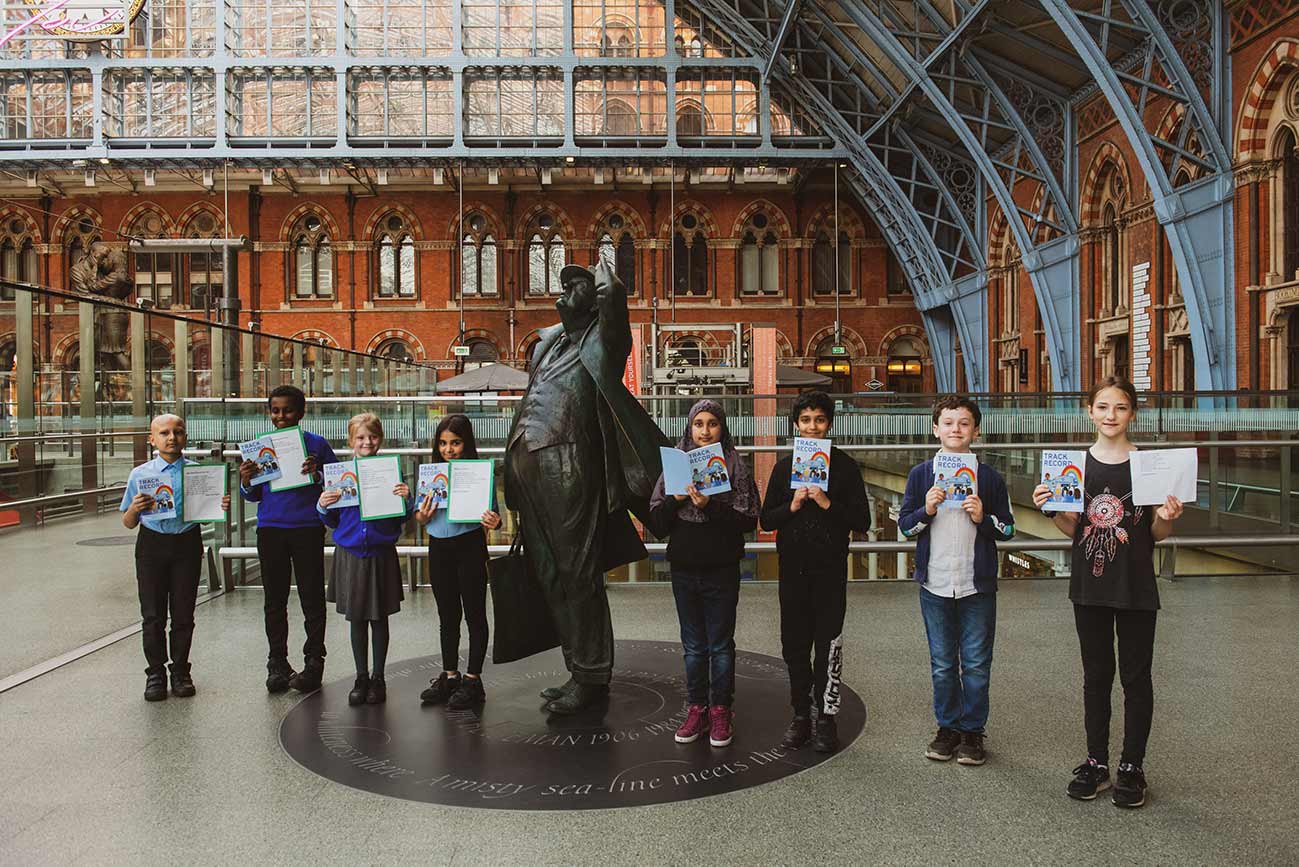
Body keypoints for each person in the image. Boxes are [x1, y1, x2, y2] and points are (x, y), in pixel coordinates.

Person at [503, 259, 666, 716]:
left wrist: (602, 275)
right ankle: (576, 667)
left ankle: (592, 676)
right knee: (550, 574)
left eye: (575, 285)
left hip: (570, 461)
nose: (563, 290)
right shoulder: (548, 344)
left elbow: (615, 302)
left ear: (592, 298)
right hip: (527, 464)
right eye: (564, 284)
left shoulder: (604, 341)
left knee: (577, 572)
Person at [1033, 377, 1184, 809]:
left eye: (1119, 408)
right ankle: (1096, 760)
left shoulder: (1149, 465)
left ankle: (1132, 766)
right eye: (1102, 407)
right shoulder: (1075, 466)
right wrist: (1052, 510)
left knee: (1137, 678)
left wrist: (1169, 517)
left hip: (1135, 583)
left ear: (1132, 413)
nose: (1110, 415)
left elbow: (1154, 533)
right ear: (1089, 411)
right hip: (1089, 584)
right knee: (1096, 676)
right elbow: (1074, 530)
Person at [898, 395, 1014, 767]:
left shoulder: (990, 477)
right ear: (935, 429)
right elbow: (904, 527)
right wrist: (927, 509)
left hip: (975, 584)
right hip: (935, 582)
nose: (955, 430)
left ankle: (973, 731)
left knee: (978, 662)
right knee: (943, 662)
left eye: (964, 423)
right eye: (948, 423)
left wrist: (985, 517)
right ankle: (947, 726)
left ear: (975, 432)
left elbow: (1008, 528)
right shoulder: (920, 475)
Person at [759, 390, 870, 753]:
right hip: (792, 570)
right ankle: (800, 715)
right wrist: (791, 505)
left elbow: (861, 520)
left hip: (831, 570)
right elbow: (766, 518)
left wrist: (826, 502)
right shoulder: (783, 466)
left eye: (819, 420)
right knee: (794, 645)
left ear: (829, 425)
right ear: (796, 425)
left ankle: (827, 717)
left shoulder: (845, 467)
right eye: (805, 420)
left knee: (828, 646)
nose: (812, 427)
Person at [648, 399, 760, 748]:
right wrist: (677, 500)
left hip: (722, 567)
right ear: (690, 428)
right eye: (699, 424)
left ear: (722, 428)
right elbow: (656, 523)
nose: (705, 430)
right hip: (684, 567)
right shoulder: (674, 467)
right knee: (693, 646)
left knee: (721, 645)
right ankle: (697, 706)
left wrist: (709, 505)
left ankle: (721, 709)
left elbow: (747, 520)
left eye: (712, 423)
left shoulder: (736, 466)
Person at [120, 414, 230, 701]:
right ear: (152, 439)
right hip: (151, 544)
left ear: (186, 436)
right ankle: (155, 672)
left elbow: (206, 520)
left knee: (183, 613)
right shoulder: (140, 474)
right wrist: (134, 507)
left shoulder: (198, 473)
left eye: (178, 432)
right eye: (165, 433)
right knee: (153, 614)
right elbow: (129, 522)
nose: (172, 438)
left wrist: (218, 505)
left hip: (186, 543)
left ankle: (180, 670)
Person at [238, 385, 338, 694]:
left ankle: (313, 661)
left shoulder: (317, 445)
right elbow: (253, 495)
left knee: (311, 596)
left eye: (288, 410)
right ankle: (277, 663)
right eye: (275, 410)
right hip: (271, 529)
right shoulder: (258, 448)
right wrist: (245, 479)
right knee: (274, 599)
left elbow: (337, 484)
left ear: (302, 412)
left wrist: (318, 473)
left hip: (307, 527)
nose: (281, 416)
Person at [318, 413, 412, 706]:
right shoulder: (339, 475)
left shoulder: (391, 473)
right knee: (356, 618)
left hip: (380, 553)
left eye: (372, 437)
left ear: (379, 439)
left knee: (379, 617)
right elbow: (333, 520)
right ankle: (361, 675)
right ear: (350, 441)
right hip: (351, 553)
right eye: (360, 438)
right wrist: (322, 505)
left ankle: (379, 677)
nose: (367, 442)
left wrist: (405, 499)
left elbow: (403, 517)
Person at [416, 414, 502, 710]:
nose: (448, 449)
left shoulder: (480, 474)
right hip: (439, 545)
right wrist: (422, 516)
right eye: (442, 443)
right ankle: (450, 676)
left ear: (466, 444)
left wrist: (494, 521)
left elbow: (494, 516)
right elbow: (419, 515)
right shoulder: (430, 474)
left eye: (455, 443)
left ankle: (473, 679)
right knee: (447, 614)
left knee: (475, 613)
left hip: (470, 545)